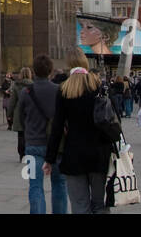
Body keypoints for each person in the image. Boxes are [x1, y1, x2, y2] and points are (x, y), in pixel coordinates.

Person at [44, 51, 116, 214]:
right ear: (85, 64)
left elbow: (57, 128)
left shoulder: (64, 90)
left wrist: (50, 158)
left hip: (74, 154)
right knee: (100, 205)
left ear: (68, 66)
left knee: (79, 205)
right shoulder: (99, 87)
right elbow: (112, 120)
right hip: (99, 153)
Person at [14, 54, 68, 214]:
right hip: (56, 144)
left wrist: (29, 130)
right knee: (59, 184)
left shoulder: (26, 92)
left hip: (33, 145)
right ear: (51, 71)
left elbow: (20, 116)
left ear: (34, 71)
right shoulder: (59, 90)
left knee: (35, 186)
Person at [8, 66, 33, 159]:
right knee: (29, 133)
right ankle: (28, 152)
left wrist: (9, 114)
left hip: (19, 112)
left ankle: (21, 153)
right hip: (30, 112)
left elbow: (12, 102)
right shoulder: (33, 85)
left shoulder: (16, 86)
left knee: (21, 134)